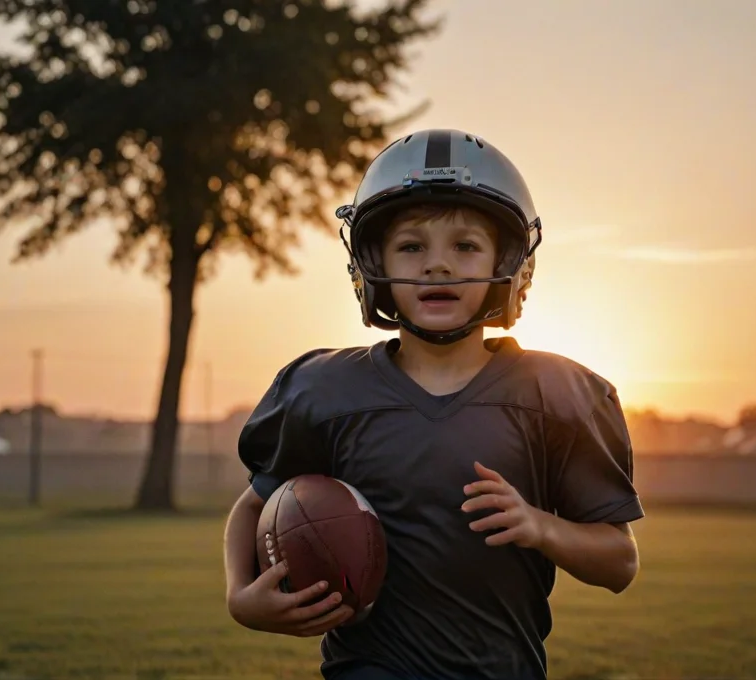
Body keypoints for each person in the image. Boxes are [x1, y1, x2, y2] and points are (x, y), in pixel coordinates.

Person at [223, 129, 643, 680]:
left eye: (465, 246)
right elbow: (256, 506)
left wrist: (539, 526)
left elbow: (620, 562)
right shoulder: (325, 391)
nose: (437, 266)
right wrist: (240, 597)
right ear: (371, 262)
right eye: (411, 246)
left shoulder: (556, 395)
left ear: (510, 262)